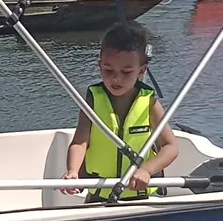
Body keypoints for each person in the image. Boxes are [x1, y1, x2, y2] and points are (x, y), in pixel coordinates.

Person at [61, 22, 180, 201]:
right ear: (99, 66)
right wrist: (72, 171)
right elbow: (79, 143)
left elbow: (171, 147)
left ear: (141, 71)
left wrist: (147, 170)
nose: (116, 78)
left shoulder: (149, 102)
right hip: (100, 193)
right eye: (109, 70)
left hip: (140, 196)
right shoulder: (93, 101)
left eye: (126, 72)